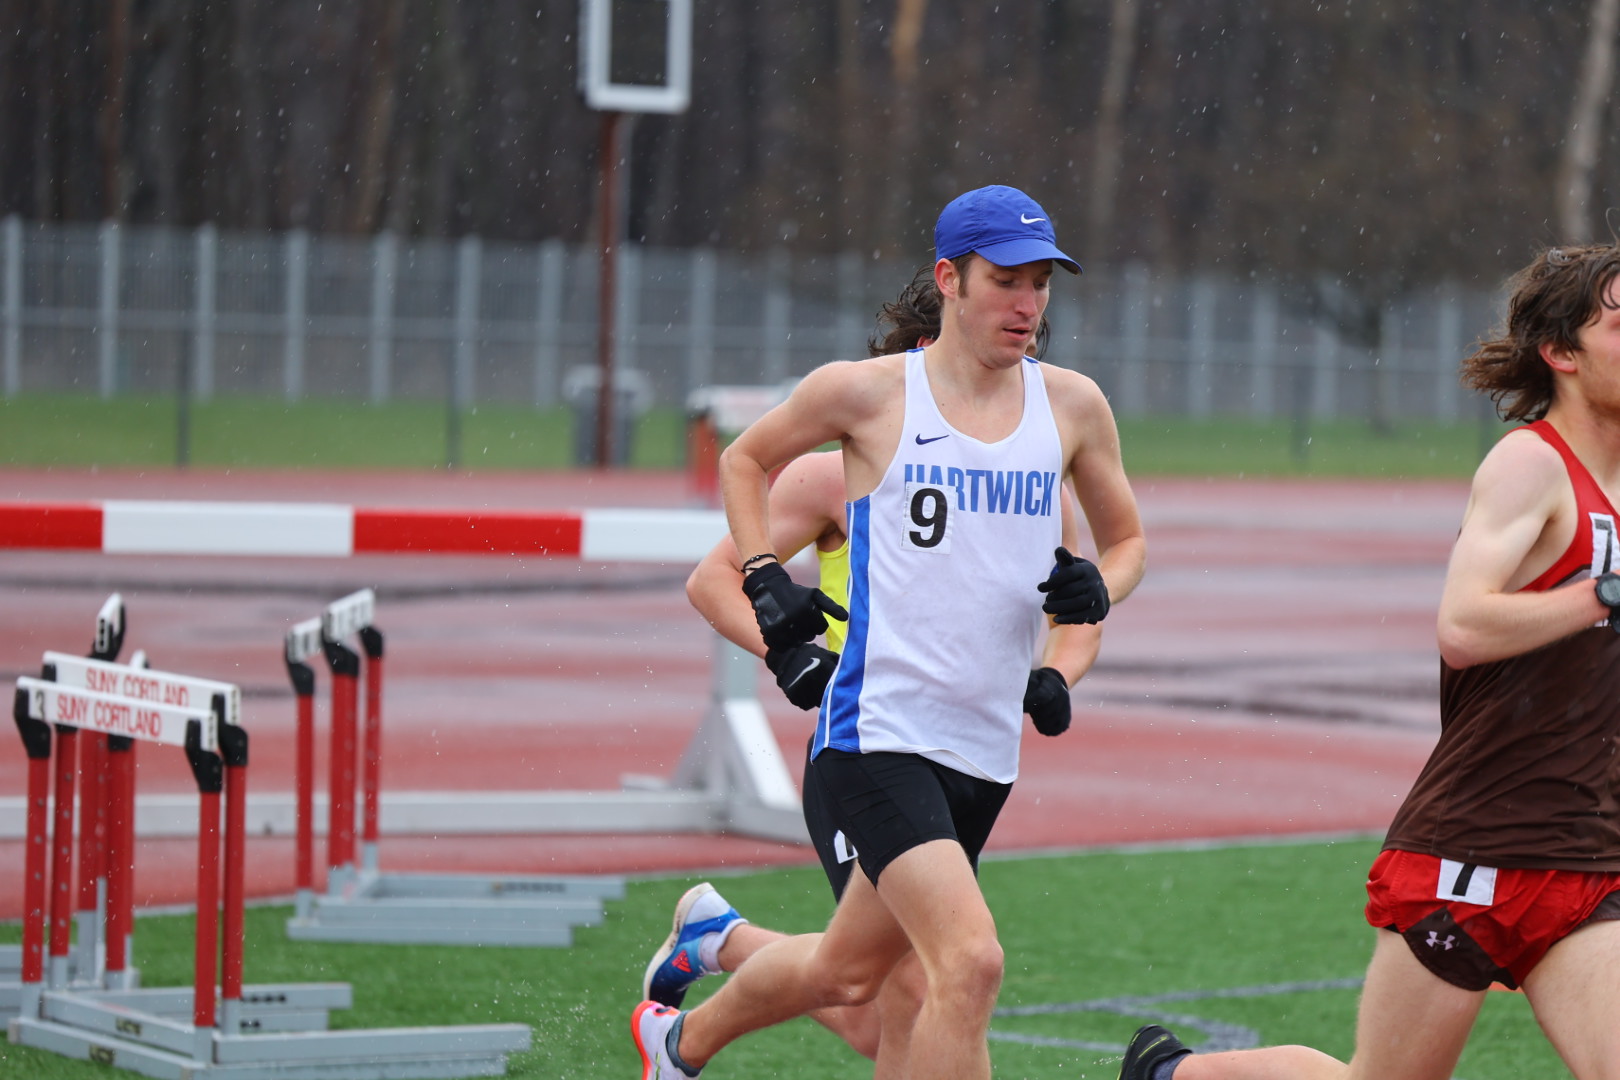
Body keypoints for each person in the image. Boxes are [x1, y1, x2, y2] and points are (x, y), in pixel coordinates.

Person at [631, 183, 1147, 1080]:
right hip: (874, 734)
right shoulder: (864, 399)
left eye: (1040, 285)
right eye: (1005, 281)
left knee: (853, 971)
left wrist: (1091, 601)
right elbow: (744, 458)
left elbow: (1127, 546)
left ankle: (678, 1035)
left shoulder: (1071, 409)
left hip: (983, 748)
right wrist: (766, 592)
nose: (1027, 305)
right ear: (949, 279)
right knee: (965, 965)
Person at [1116, 242, 1620, 1080]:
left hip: (1587, 853)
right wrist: (1600, 595)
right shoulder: (1530, 464)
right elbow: (1462, 624)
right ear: (1561, 353)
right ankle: (1174, 1075)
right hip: (1476, 848)